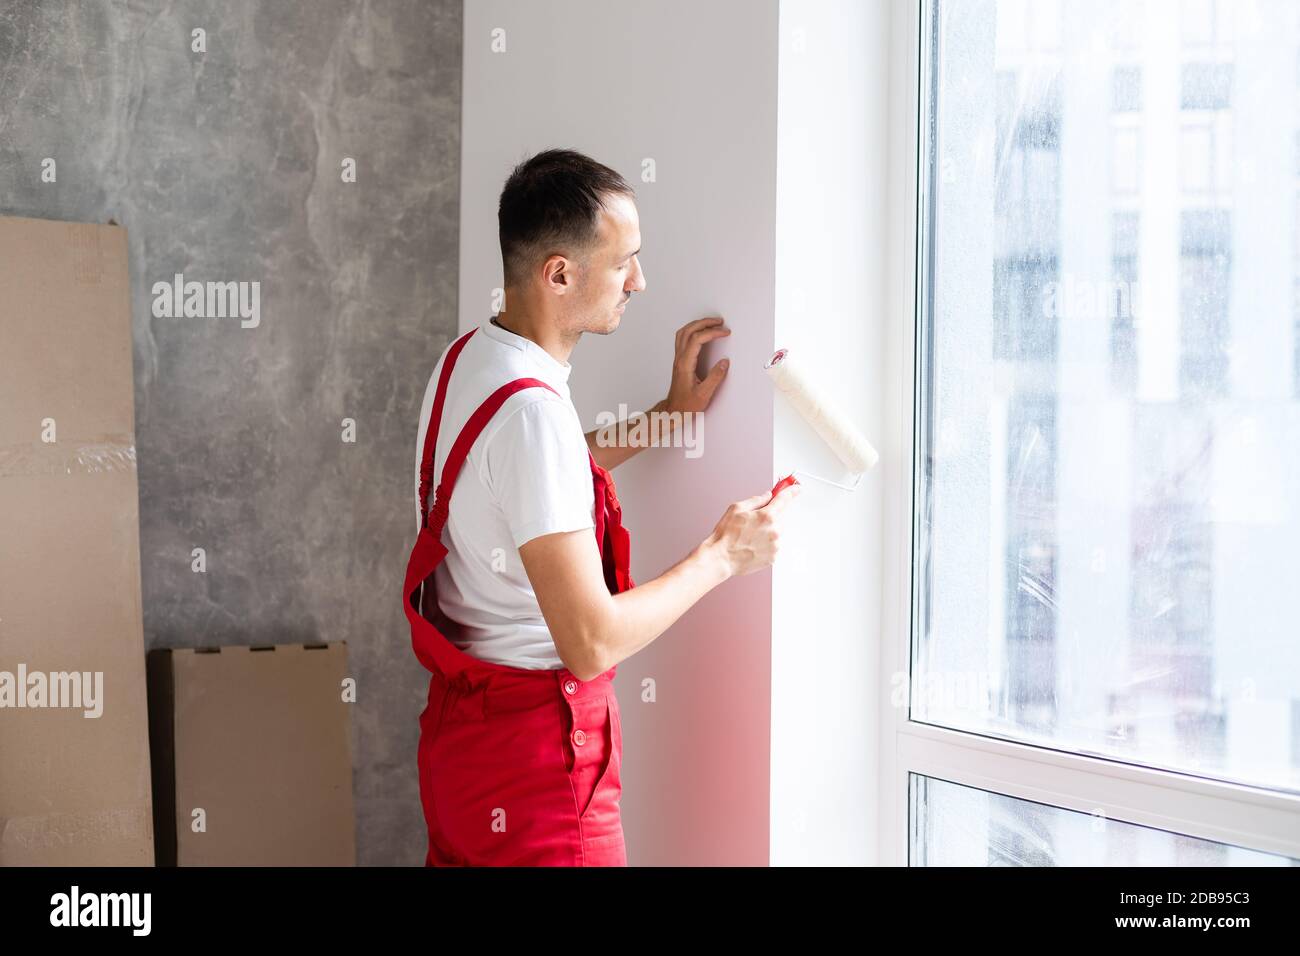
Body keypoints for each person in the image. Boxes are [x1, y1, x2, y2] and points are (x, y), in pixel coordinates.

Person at [405, 147, 801, 866]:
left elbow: (523, 479)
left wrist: (663, 417)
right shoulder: (533, 415)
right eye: (624, 263)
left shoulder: (468, 361)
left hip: (461, 752)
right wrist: (722, 556)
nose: (639, 282)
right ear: (559, 273)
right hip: (540, 775)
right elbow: (590, 642)